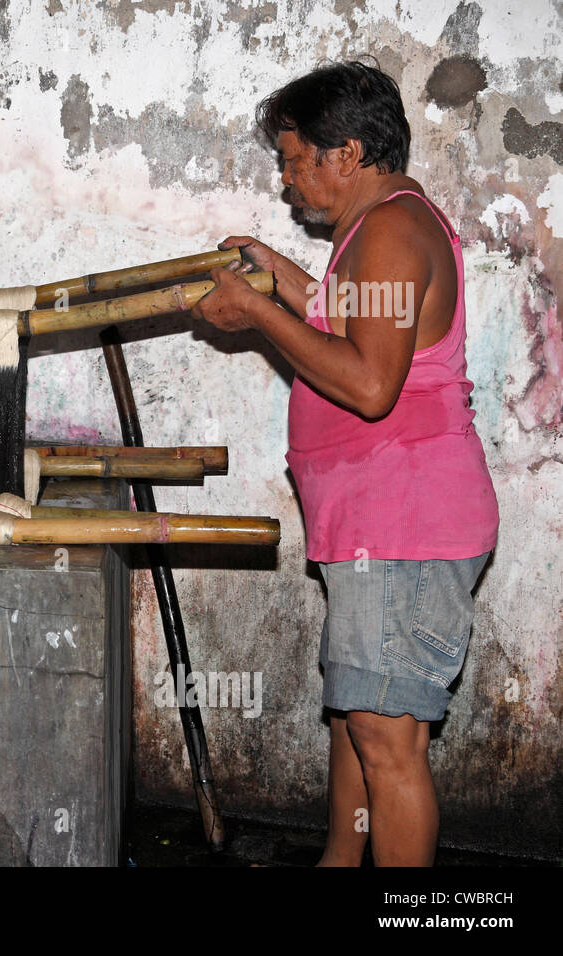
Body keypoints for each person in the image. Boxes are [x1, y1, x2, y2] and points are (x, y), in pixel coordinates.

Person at [189, 61, 498, 866]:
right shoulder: (380, 228)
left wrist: (257, 311)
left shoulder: (392, 232)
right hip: (381, 528)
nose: (289, 183)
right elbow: (348, 322)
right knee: (360, 719)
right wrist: (276, 273)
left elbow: (368, 384)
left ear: (348, 152)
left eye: (296, 161)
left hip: (406, 526)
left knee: (388, 744)